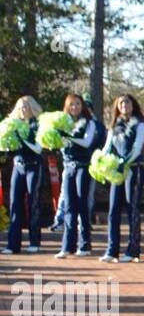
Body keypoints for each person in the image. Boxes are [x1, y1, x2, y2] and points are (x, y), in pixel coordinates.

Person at [55, 94, 104, 258]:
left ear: (82, 106)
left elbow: (86, 142)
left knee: (82, 205)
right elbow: (58, 143)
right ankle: (67, 246)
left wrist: (68, 137)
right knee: (68, 206)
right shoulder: (64, 123)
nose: (74, 107)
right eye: (71, 104)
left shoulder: (89, 123)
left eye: (77, 104)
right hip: (68, 167)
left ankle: (84, 245)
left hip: (83, 167)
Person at [100, 94, 144, 262]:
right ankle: (112, 250)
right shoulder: (114, 125)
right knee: (113, 210)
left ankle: (133, 250)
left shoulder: (139, 125)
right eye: (120, 102)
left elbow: (137, 148)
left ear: (132, 104)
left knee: (132, 209)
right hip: (117, 173)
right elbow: (107, 147)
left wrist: (124, 162)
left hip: (134, 170)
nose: (124, 105)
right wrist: (99, 162)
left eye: (127, 102)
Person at [2, 97, 45, 254]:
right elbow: (9, 148)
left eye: (25, 107)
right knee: (14, 204)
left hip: (34, 167)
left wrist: (21, 139)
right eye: (20, 107)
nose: (22, 110)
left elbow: (37, 149)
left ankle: (34, 241)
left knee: (33, 203)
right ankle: (13, 244)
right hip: (18, 167)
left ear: (32, 108)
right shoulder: (14, 125)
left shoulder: (38, 125)